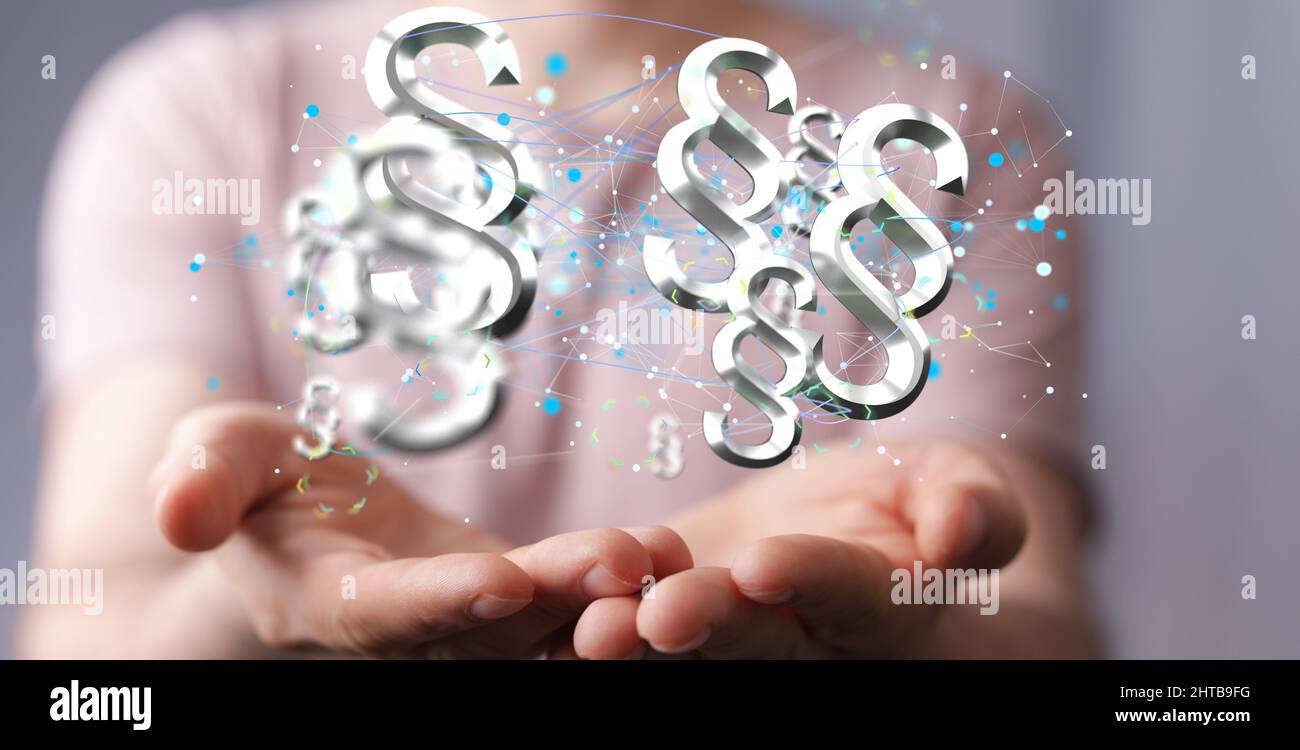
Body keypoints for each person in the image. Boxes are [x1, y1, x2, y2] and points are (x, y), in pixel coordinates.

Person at [18, 0, 1094, 659]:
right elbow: (89, 680)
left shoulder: (959, 134)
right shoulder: (201, 108)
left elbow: (1040, 625)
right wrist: (242, 603)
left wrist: (917, 627)